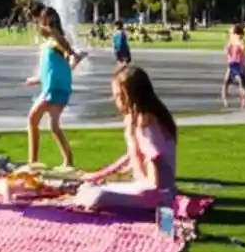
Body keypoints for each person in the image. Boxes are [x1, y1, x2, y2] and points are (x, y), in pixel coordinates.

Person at [74, 65, 178, 213]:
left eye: (118, 95)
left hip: (156, 193)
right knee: (88, 189)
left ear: (130, 96)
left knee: (97, 197)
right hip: (145, 186)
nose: (116, 100)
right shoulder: (137, 119)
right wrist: (99, 175)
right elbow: (132, 155)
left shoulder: (145, 121)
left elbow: (155, 155)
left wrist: (156, 192)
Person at [24, 8, 82, 169]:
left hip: (54, 89)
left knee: (32, 119)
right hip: (58, 88)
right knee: (53, 126)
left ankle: (33, 161)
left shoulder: (56, 40)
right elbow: (52, 70)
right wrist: (35, 80)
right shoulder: (49, 45)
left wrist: (72, 54)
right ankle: (68, 160)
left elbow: (65, 47)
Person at [222, 24, 245, 109]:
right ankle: (225, 100)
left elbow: (243, 50)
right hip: (232, 64)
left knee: (240, 82)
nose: (230, 33)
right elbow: (226, 51)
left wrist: (238, 43)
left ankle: (243, 101)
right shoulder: (230, 41)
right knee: (226, 81)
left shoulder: (241, 41)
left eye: (232, 32)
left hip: (239, 64)